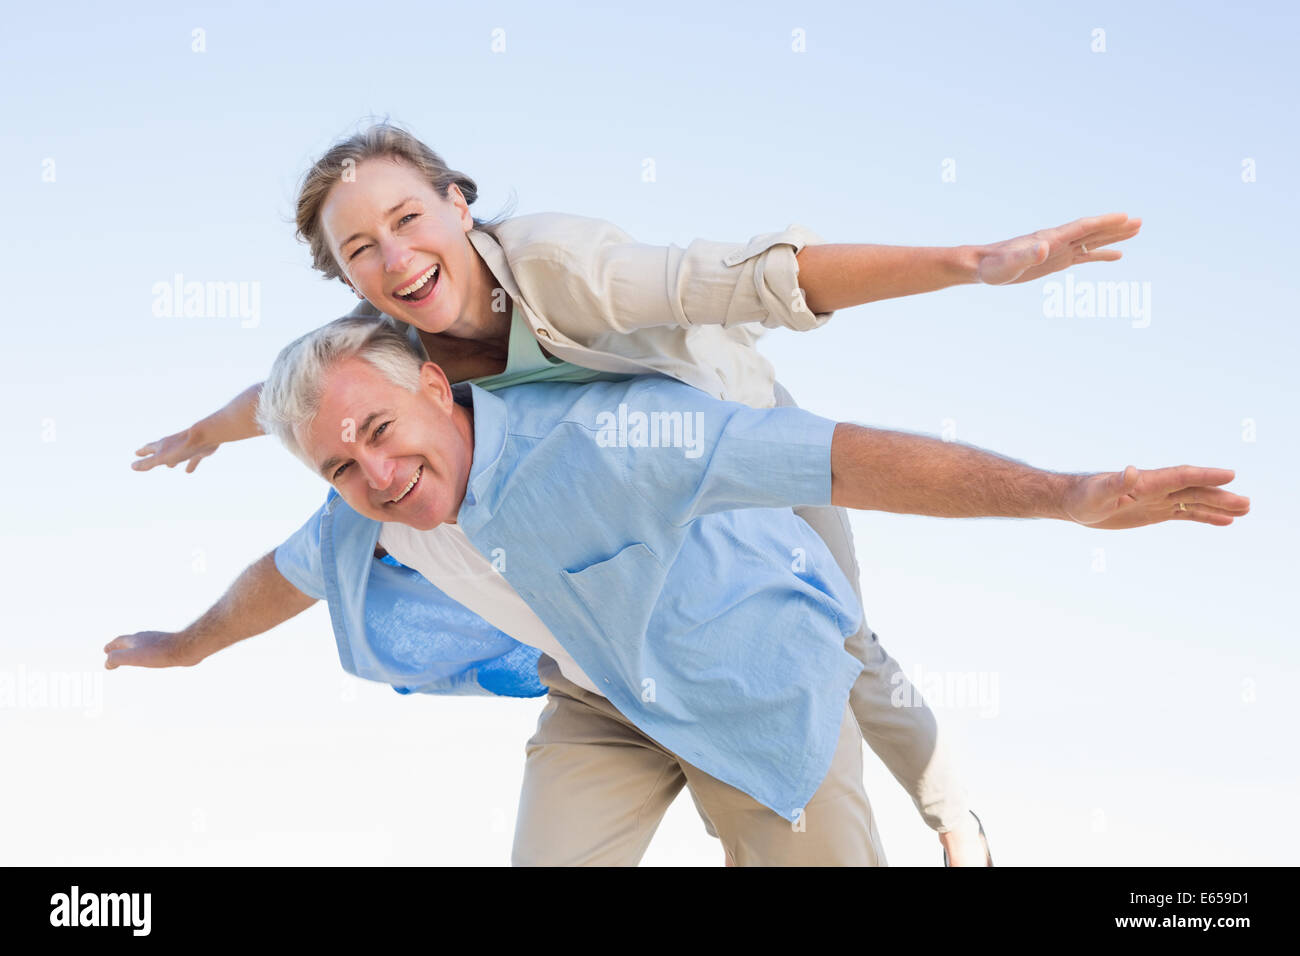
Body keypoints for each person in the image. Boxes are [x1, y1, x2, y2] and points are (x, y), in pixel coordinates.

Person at [129, 123, 1143, 865]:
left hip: (737, 448)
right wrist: (202, 439)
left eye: (407, 218)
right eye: (360, 249)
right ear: (346, 277)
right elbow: (277, 404)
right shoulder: (389, 365)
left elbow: (751, 280)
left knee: (844, 635)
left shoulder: (565, 269)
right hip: (609, 580)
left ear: (457, 201)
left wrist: (969, 264)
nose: (394, 256)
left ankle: (954, 815)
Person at [111, 315, 1246, 865]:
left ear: (432, 383)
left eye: (378, 431)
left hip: (751, 684)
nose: (376, 473)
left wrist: (1068, 491)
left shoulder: (611, 438)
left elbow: (835, 456)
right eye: (338, 464)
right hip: (603, 699)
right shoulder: (363, 522)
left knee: (861, 654)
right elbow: (279, 577)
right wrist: (185, 644)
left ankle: (956, 812)